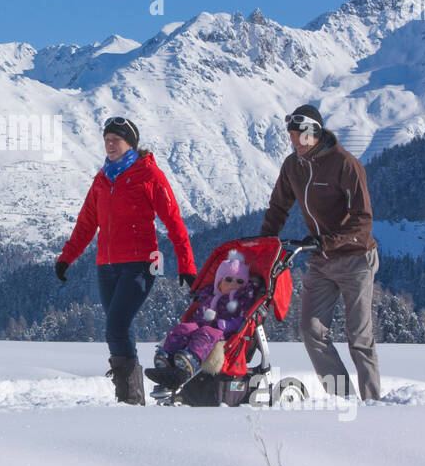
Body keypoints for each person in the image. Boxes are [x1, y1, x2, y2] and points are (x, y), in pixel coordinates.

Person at [55, 116, 196, 405]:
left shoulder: (149, 175)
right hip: (106, 266)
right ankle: (130, 401)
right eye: (106, 139)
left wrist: (187, 264)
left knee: (116, 326)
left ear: (129, 143)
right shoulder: (102, 179)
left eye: (115, 139)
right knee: (120, 327)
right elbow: (86, 224)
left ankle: (129, 399)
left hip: (142, 264)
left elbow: (174, 221)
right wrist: (67, 257)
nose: (109, 144)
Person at [259, 104, 380, 400]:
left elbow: (363, 222)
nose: (295, 143)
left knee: (359, 337)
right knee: (312, 332)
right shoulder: (292, 166)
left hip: (356, 259)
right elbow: (278, 208)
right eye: (291, 137)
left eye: (300, 137)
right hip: (321, 261)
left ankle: (374, 404)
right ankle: (344, 399)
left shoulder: (345, 165)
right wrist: (263, 246)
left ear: (315, 133)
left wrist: (327, 242)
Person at [146, 249, 261, 391]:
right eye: (229, 279)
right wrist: (199, 320)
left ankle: (189, 361)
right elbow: (198, 314)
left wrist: (227, 325)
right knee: (183, 329)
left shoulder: (243, 300)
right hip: (203, 326)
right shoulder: (209, 296)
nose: (234, 284)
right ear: (219, 282)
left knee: (207, 332)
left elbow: (243, 320)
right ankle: (167, 357)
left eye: (239, 281)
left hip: (224, 334)